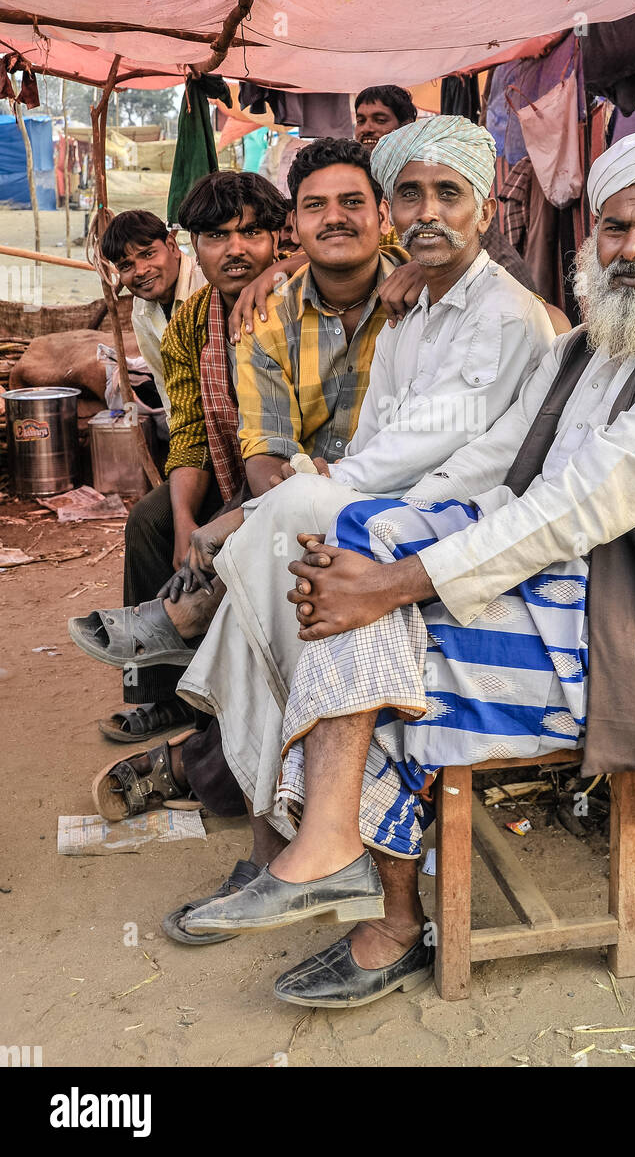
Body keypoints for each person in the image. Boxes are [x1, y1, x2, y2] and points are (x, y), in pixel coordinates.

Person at [183, 123, 635, 1012]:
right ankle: (340, 855)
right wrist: (386, 553)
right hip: (563, 603)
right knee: (357, 578)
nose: (633, 250)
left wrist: (397, 581)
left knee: (377, 624)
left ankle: (375, 901)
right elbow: (509, 482)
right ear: (590, 236)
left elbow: (567, 513)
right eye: (616, 228)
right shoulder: (586, 347)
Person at [110, 116, 554, 943]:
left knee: (297, 541)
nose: (426, 211)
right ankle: (286, 840)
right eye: (410, 192)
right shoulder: (407, 308)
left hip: (454, 524)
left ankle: (279, 826)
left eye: (446, 195)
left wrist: (281, 505)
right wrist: (297, 496)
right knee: (290, 562)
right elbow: (306, 440)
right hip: (393, 501)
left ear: (484, 211)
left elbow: (435, 453)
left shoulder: (496, 313)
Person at [71, 171, 285, 754]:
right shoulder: (188, 321)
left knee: (235, 537)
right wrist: (186, 516)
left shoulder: (294, 294)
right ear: (195, 241)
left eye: (252, 234)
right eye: (216, 236)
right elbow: (188, 425)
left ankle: (218, 706)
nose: (235, 249)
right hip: (225, 461)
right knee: (153, 521)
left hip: (288, 477)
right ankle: (157, 693)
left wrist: (288, 270)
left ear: (279, 237)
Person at [101, 209, 206, 418]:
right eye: (126, 266)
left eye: (148, 254)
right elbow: (166, 384)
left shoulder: (207, 284)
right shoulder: (141, 310)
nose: (140, 270)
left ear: (172, 246)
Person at [353, 85, 417, 151]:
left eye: (380, 120)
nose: (366, 129)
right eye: (360, 121)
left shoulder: (423, 159)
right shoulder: (346, 160)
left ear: (406, 126)